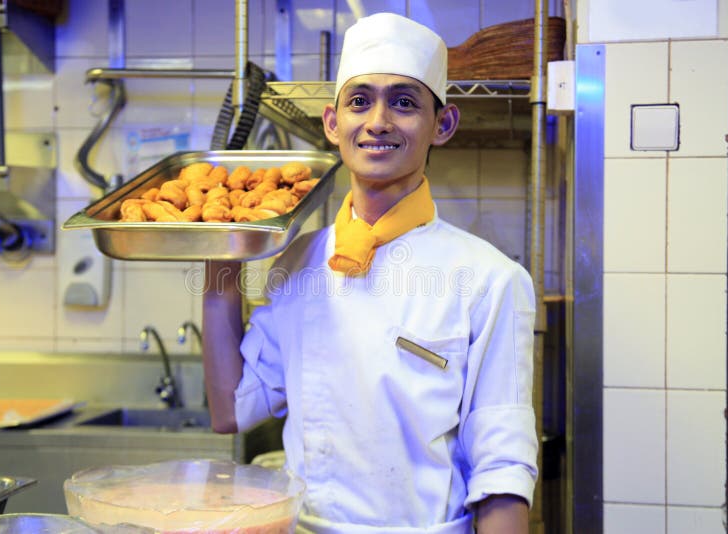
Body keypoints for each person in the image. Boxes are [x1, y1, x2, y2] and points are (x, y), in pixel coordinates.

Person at [202, 12, 538, 534]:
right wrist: (216, 254)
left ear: (442, 124)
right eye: (360, 101)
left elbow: (502, 468)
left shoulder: (490, 279)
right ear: (332, 123)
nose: (378, 120)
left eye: (404, 102)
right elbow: (232, 410)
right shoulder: (297, 263)